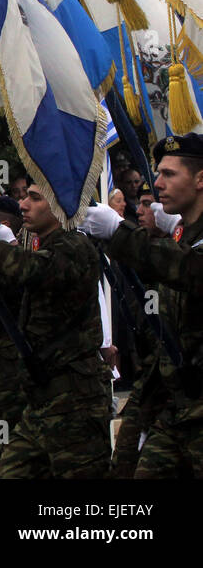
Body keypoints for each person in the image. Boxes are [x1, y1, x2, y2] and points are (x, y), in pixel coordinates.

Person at [0, 181, 111, 477]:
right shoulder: (40, 245)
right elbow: (5, 283)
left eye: (34, 198)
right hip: (40, 399)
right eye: (25, 198)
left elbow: (30, 270)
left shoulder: (74, 246)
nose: (23, 206)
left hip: (75, 399)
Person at [85, 133, 203, 476]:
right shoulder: (185, 233)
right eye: (158, 173)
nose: (157, 183)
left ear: (199, 179)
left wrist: (119, 233)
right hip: (174, 403)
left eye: (169, 174)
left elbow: (191, 270)